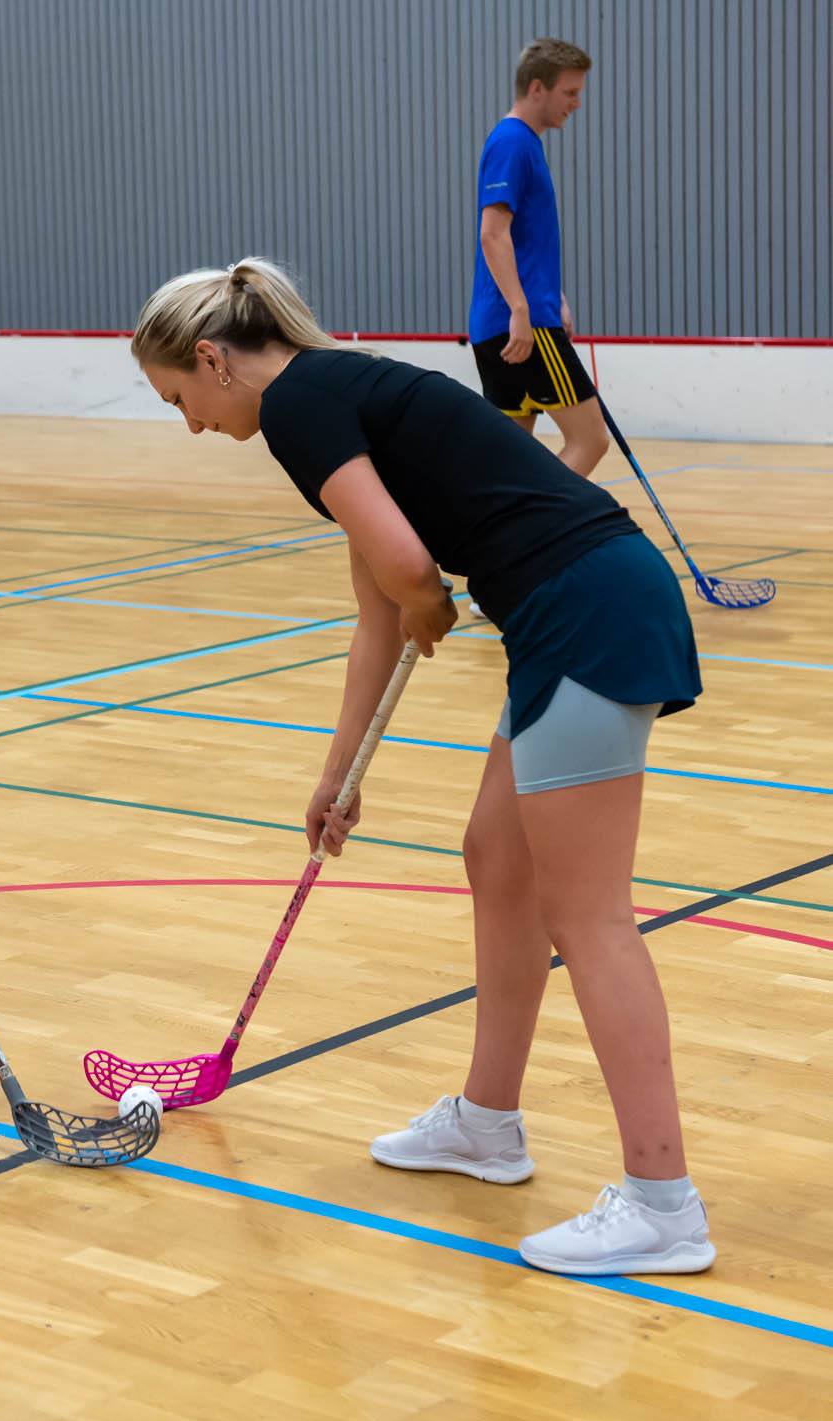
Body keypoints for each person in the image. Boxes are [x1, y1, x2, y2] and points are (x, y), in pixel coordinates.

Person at [130, 257, 712, 1276]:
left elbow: (408, 577)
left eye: (178, 398)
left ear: (214, 359)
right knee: (497, 857)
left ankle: (663, 1203)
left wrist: (429, 601)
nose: (188, 424)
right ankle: (488, 1124)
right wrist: (339, 773)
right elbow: (379, 612)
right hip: (574, 607)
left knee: (591, 914)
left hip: (589, 607)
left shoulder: (299, 404)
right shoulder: (336, 394)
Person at [467, 38, 608, 621]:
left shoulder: (523, 144)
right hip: (520, 327)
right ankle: (529, 547)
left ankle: (491, 576)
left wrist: (554, 296)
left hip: (510, 321)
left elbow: (524, 240)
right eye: (570, 93)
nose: (576, 103)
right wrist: (525, 311)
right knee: (590, 440)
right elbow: (492, 234)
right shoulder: (512, 143)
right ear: (537, 88)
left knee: (508, 458)